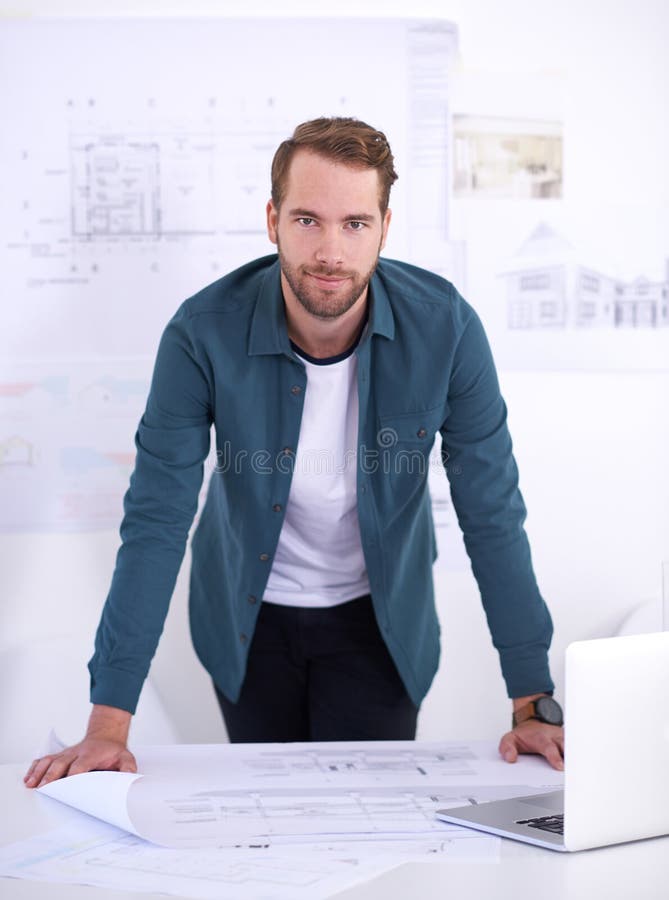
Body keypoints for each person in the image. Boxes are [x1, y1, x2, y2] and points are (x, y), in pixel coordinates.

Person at [25, 117, 564, 789]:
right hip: (246, 621)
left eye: (355, 223)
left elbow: (491, 514)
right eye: (308, 220)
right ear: (273, 221)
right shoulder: (201, 334)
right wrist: (108, 724)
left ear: (384, 228)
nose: (330, 251)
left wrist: (532, 701)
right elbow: (157, 519)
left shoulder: (446, 329)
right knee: (268, 813)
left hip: (382, 623)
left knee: (365, 818)